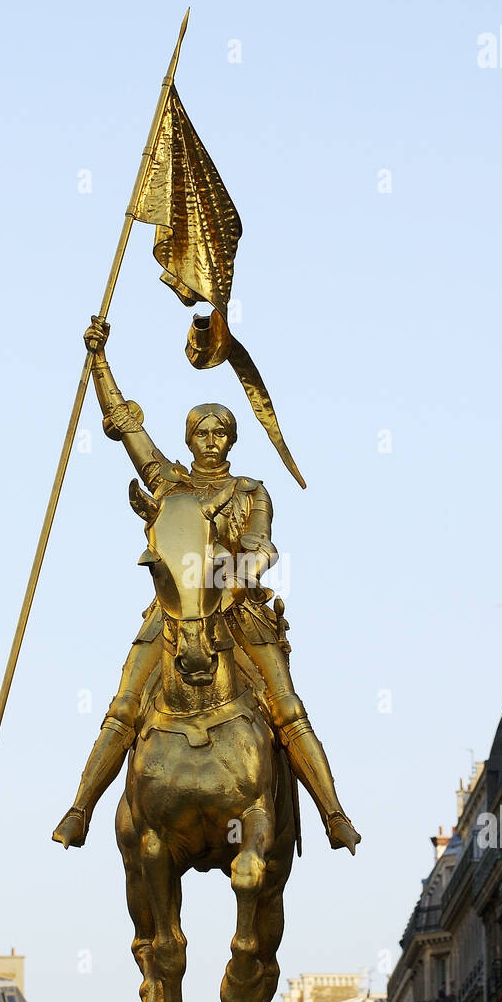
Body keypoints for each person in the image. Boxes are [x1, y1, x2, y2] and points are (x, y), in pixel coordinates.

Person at [52, 316, 360, 855]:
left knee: (286, 707)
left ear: (233, 439)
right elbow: (126, 428)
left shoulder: (251, 490)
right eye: (203, 432)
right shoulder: (170, 485)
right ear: (189, 438)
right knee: (125, 705)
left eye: (221, 432)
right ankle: (81, 808)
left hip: (237, 610)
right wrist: (99, 361)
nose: (212, 441)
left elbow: (263, 546)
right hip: (173, 612)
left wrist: (234, 573)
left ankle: (333, 812)